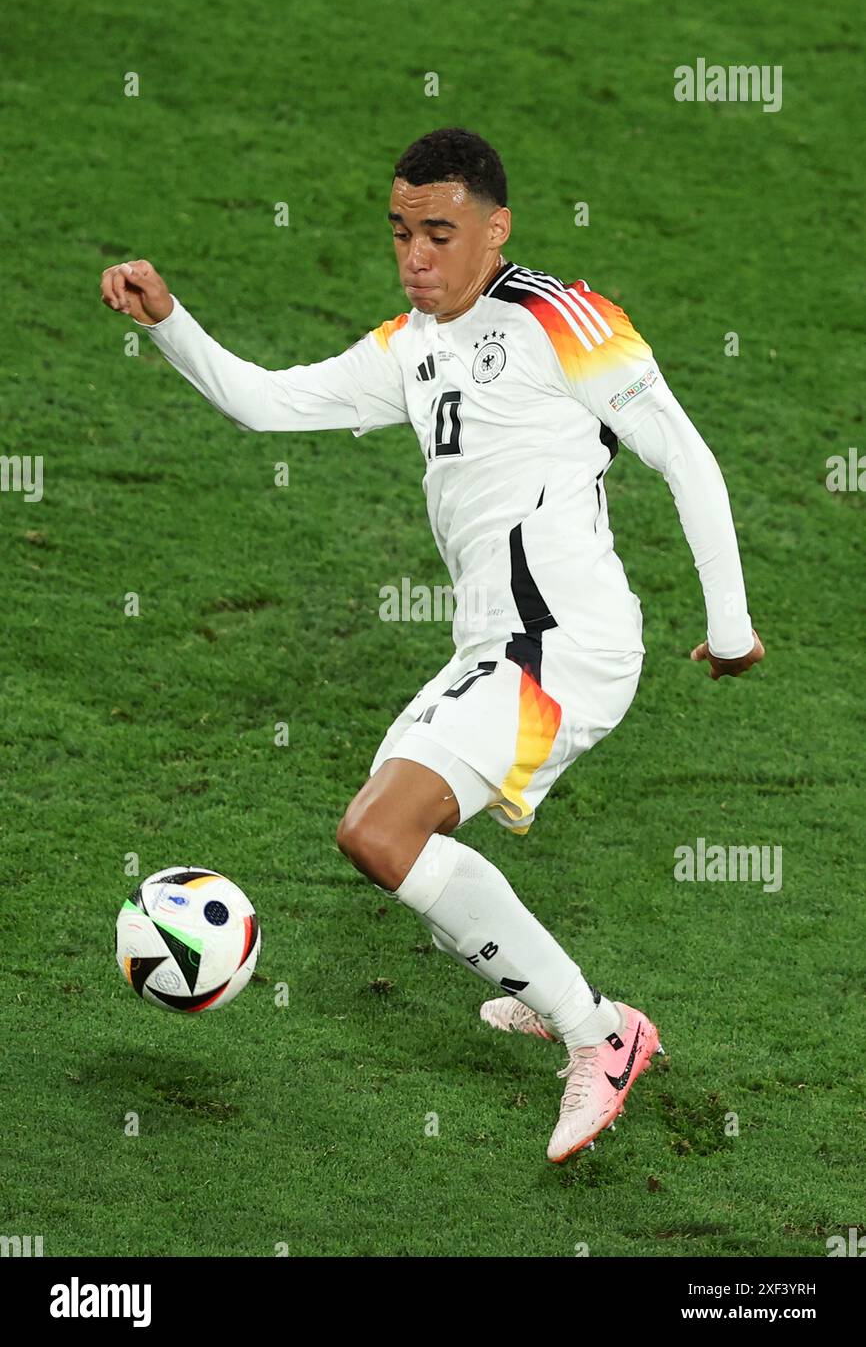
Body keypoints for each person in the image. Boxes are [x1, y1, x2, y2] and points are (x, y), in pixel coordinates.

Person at [100, 126, 764, 1163]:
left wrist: (728, 628)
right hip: (489, 648)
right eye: (400, 232)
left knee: (379, 831)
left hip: (564, 644)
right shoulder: (409, 346)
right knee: (394, 835)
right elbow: (265, 404)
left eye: (439, 234)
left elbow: (683, 455)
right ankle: (557, 995)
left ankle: (600, 1036)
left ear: (493, 231)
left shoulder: (557, 314)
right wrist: (169, 322)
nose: (415, 256)